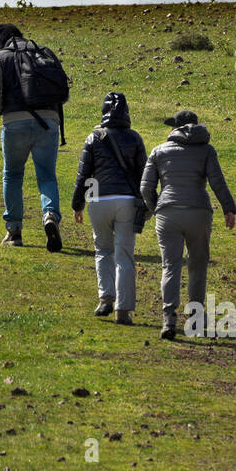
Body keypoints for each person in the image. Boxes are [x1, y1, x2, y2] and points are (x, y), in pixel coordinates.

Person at [140, 109, 236, 340]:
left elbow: (145, 188)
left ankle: (169, 319)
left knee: (170, 266)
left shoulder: (159, 151)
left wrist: (157, 208)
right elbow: (217, 182)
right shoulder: (207, 150)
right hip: (199, 212)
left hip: (168, 213)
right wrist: (229, 208)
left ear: (174, 128)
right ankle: (195, 320)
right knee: (198, 266)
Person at [71, 93, 149, 325]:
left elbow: (83, 174)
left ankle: (105, 298)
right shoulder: (134, 138)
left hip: (98, 199)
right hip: (126, 200)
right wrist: (145, 204)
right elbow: (144, 175)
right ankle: (123, 310)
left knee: (103, 250)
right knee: (124, 255)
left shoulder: (94, 137)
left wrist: (78, 204)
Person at [0, 23, 63, 251]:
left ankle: (14, 231)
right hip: (49, 121)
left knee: (13, 175)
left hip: (14, 122)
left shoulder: (1, 58)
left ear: (2, 41)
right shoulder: (42, 53)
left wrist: (0, 109)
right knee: (47, 176)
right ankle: (50, 215)